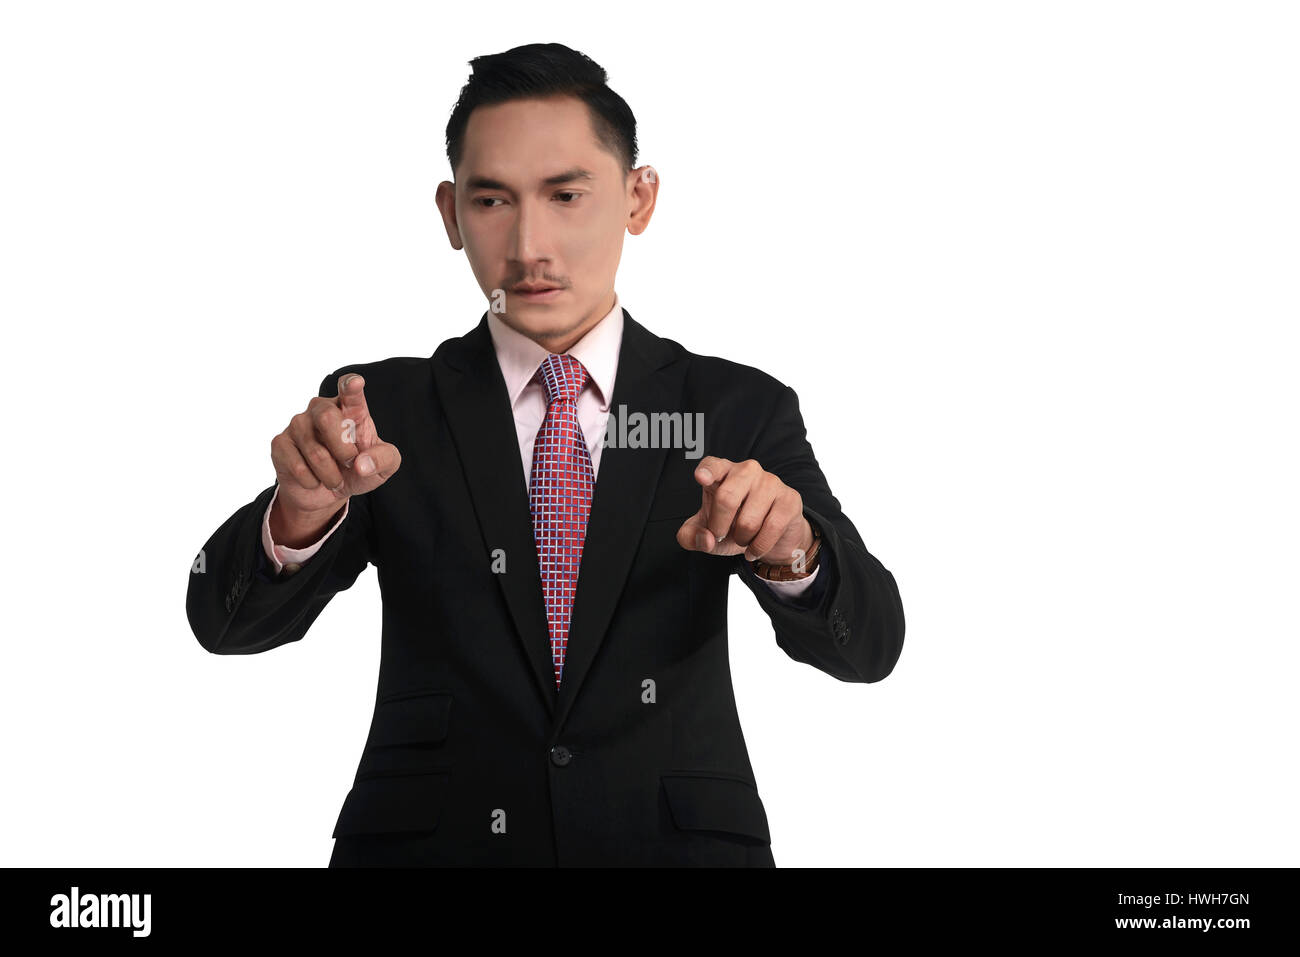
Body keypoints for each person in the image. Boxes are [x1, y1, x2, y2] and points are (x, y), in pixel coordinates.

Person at [186, 41, 905, 867]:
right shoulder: (382, 413)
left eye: (567, 194)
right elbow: (224, 620)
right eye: (492, 200)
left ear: (639, 198)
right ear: (450, 214)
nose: (529, 245)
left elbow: (871, 645)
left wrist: (794, 552)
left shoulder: (735, 408)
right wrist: (299, 518)